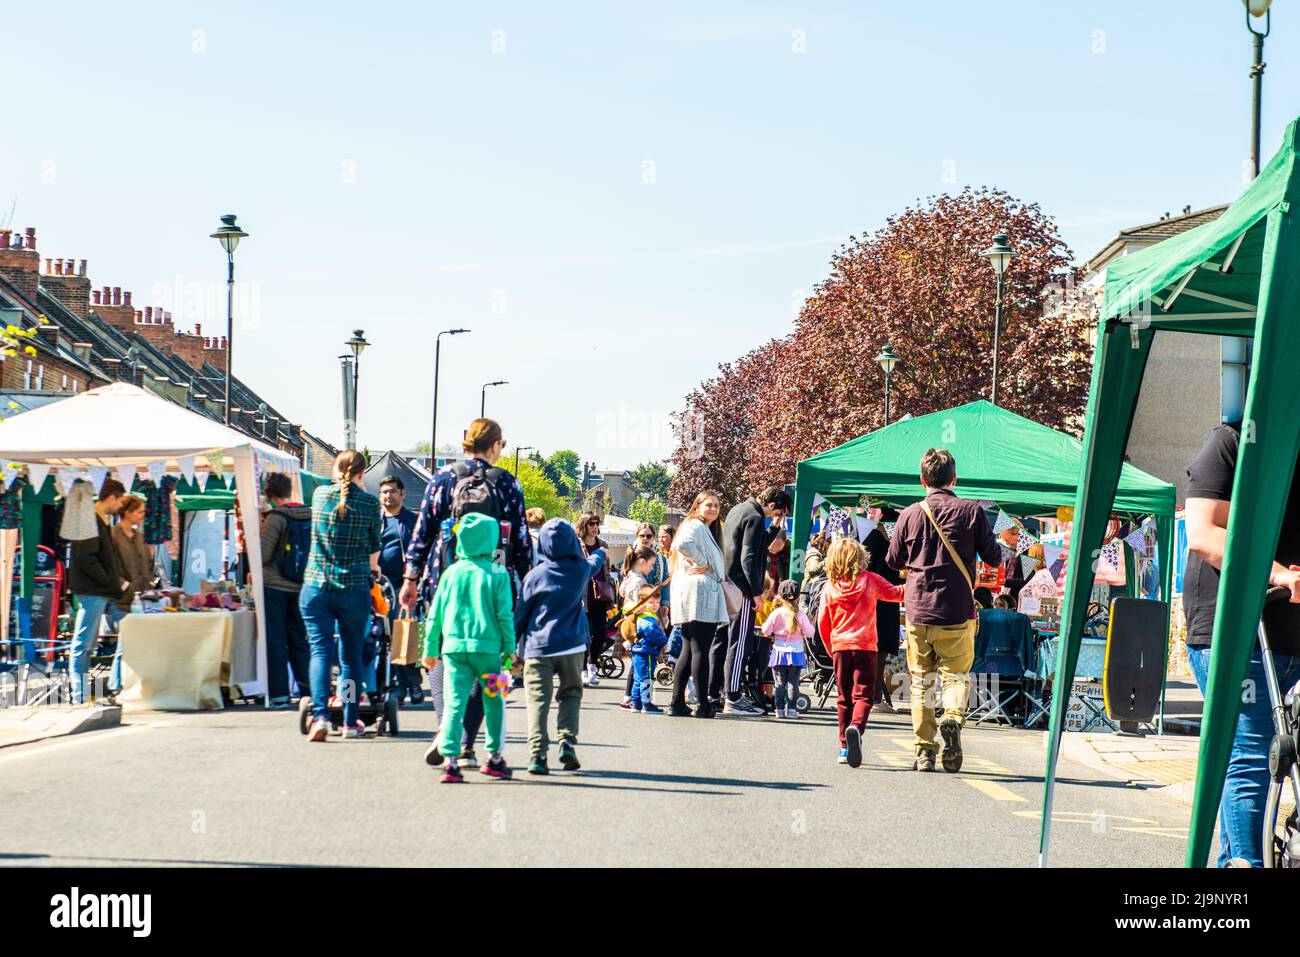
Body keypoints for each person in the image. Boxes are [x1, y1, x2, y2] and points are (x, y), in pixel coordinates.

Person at [1184, 421, 1300, 867]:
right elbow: (1203, 532)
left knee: (1274, 756)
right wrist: (1278, 573)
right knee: (1253, 754)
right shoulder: (1233, 440)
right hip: (1238, 630)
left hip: (1291, 630)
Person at [400, 418, 531, 768]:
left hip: (445, 578)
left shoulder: (444, 479)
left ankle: (447, 731)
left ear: (465, 443)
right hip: (493, 582)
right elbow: (520, 541)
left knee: (449, 655)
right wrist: (524, 582)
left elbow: (422, 530)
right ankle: (468, 742)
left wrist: (411, 578)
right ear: (497, 445)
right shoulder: (507, 484)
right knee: (485, 662)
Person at [886, 448, 1002, 773]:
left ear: (922, 480)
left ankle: (924, 752)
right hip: (957, 611)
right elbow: (994, 557)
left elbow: (892, 561)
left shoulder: (909, 514)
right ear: (954, 478)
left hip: (918, 611)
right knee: (955, 676)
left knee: (921, 682)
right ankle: (952, 717)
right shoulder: (972, 511)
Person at [420, 513, 515, 782]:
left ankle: (450, 760)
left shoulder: (451, 573)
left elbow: (435, 613)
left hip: (453, 649)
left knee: (454, 703)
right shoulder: (498, 573)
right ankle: (494, 757)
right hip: (488, 651)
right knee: (494, 701)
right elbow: (504, 615)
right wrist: (509, 648)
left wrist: (429, 648)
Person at [302, 451, 382, 742]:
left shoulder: (320, 496)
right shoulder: (371, 504)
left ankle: (320, 716)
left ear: (336, 471)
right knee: (350, 657)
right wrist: (374, 569)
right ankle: (350, 720)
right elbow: (374, 548)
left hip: (316, 587)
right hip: (354, 588)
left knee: (321, 652)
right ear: (362, 474)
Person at [516, 518, 605, 774]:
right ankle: (566, 741)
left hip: (539, 646)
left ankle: (538, 754)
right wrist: (599, 552)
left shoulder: (534, 576)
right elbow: (593, 563)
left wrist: (509, 646)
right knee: (570, 694)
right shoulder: (578, 570)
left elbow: (521, 615)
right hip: (572, 645)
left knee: (537, 700)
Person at [819, 538, 904, 767]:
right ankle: (856, 727)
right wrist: (918, 581)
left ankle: (844, 748)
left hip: (840, 648)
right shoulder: (870, 580)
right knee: (863, 695)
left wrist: (831, 648)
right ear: (860, 558)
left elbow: (822, 623)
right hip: (865, 647)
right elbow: (897, 594)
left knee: (843, 698)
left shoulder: (829, 588)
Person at [715, 486, 792, 716]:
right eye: (777, 512)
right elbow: (748, 558)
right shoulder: (756, 517)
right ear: (771, 506)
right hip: (744, 588)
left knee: (724, 639)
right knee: (739, 643)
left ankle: (719, 690)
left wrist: (774, 527)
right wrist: (756, 592)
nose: (776, 516)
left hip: (729, 583)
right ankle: (734, 696)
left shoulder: (739, 510)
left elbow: (756, 544)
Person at [68, 479, 129, 705]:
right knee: (83, 643)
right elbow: (87, 559)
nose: (122, 505)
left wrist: (116, 582)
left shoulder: (100, 520)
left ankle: (117, 686)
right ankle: (79, 696)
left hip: (103, 590)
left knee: (131, 630)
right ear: (112, 497)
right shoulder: (91, 521)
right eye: (121, 500)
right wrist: (110, 582)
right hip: (93, 590)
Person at [669, 491, 728, 718]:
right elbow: (682, 543)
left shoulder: (699, 526)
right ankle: (703, 703)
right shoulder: (695, 525)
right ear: (697, 506)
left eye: (717, 505)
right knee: (700, 649)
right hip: (700, 593)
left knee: (689, 649)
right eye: (709, 505)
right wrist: (702, 562)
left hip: (691, 592)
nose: (713, 508)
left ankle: (677, 702)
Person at [260, 472, 313, 709]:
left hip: (276, 586)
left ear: (270, 495)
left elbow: (264, 554)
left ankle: (280, 694)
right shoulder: (309, 514)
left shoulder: (276, 518)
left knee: (276, 642)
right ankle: (308, 692)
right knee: (301, 641)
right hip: (302, 586)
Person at [377, 474, 422, 704]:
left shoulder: (411, 521)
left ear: (402, 494)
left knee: (404, 634)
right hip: (378, 585)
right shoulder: (376, 520)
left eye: (392, 491)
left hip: (403, 585)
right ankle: (393, 682)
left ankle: (411, 683)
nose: (388, 495)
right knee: (381, 637)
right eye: (384, 492)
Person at [108, 494, 156, 695]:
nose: (143, 516)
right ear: (127, 513)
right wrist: (124, 586)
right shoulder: (113, 535)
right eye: (139, 512)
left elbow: (147, 564)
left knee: (132, 641)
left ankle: (120, 684)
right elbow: (111, 565)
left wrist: (151, 582)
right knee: (126, 640)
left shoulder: (139, 537)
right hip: (121, 598)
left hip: (141, 597)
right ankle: (116, 685)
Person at [865, 515, 903, 712]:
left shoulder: (871, 541)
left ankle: (872, 695)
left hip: (876, 604)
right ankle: (875, 697)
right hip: (882, 604)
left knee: (876, 652)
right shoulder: (881, 543)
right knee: (878, 652)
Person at [762, 579, 813, 719]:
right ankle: (791, 711)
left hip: (779, 652)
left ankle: (778, 710)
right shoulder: (800, 615)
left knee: (779, 683)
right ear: (798, 597)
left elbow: (765, 630)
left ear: (780, 596)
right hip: (796, 654)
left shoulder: (777, 613)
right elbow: (810, 633)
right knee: (793, 684)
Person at [618, 543, 658, 710]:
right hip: (639, 628)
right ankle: (638, 699)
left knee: (637, 665)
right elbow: (636, 607)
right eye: (651, 564)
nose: (652, 567)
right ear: (642, 562)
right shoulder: (638, 581)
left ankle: (631, 697)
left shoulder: (629, 577)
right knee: (641, 666)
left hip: (633, 627)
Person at [576, 511, 613, 687]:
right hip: (582, 595)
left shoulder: (603, 545)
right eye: (592, 524)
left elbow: (606, 569)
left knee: (599, 634)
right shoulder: (577, 544)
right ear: (584, 525)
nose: (595, 527)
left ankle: (592, 664)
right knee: (584, 634)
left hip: (599, 594)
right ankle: (583, 669)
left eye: (597, 524)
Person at [628, 585, 669, 714]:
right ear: (642, 602)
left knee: (638, 678)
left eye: (657, 602)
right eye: (651, 602)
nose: (655, 605)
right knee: (647, 677)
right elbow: (652, 633)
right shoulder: (647, 617)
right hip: (647, 651)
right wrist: (664, 641)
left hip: (639, 651)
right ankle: (646, 704)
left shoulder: (641, 616)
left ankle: (636, 703)